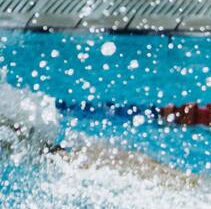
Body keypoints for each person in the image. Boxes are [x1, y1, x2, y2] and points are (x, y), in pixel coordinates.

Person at [0, 71, 197, 188]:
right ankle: (176, 179)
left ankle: (174, 180)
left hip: (14, 121)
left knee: (56, 156)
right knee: (56, 154)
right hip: (16, 115)